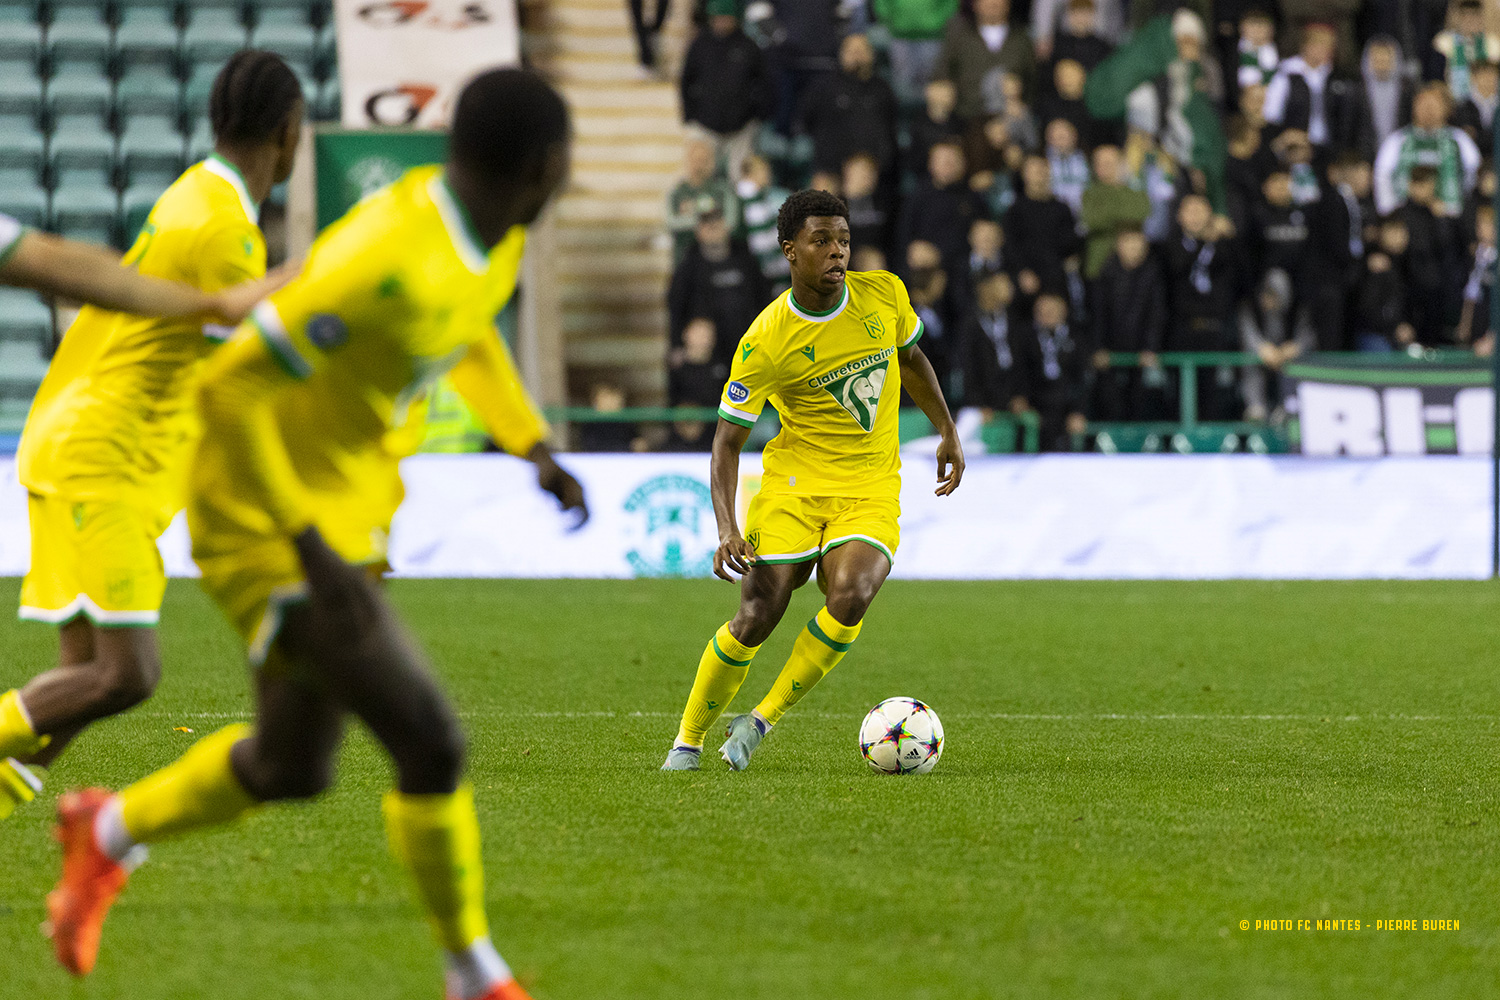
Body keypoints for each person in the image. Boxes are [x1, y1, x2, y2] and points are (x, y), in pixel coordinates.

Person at [43, 69, 589, 1000]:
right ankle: (475, 975)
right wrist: (301, 540)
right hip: (264, 521)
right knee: (430, 741)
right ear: (542, 168)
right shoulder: (384, 254)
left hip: (342, 515)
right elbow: (229, 386)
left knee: (290, 765)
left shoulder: (489, 241)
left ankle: (105, 833)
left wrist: (531, 441)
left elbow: (468, 336)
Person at [0, 52, 306, 824]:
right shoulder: (227, 231)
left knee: (75, 687)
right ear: (290, 131)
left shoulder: (194, 193)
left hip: (78, 437)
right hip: (102, 453)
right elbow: (239, 373)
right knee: (126, 675)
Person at [660, 189, 963, 772]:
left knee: (850, 594)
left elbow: (912, 358)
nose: (837, 251)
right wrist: (727, 527)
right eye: (821, 241)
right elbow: (726, 444)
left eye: (843, 240)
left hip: (870, 487)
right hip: (795, 485)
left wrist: (945, 429)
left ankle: (759, 721)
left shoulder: (885, 295)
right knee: (759, 611)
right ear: (790, 251)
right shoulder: (766, 340)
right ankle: (687, 741)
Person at [667, 206, 771, 369]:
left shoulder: (745, 260)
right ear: (698, 232)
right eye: (707, 226)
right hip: (707, 353)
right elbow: (676, 307)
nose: (712, 230)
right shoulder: (688, 267)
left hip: (746, 345)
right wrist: (676, 344)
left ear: (726, 227)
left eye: (717, 225)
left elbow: (765, 299)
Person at [680, 0, 767, 183]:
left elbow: (765, 83)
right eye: (717, 18)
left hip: (741, 128)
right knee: (700, 178)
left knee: (742, 180)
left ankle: (739, 211)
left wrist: (757, 114)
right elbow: (686, 81)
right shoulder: (699, 45)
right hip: (706, 125)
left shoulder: (748, 46)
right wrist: (689, 115)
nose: (721, 22)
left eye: (725, 17)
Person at [798, 33, 900, 178]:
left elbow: (889, 130)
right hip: (830, 170)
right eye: (851, 51)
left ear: (872, 54)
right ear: (841, 54)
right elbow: (806, 121)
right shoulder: (824, 87)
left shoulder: (882, 89)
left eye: (861, 50)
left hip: (872, 172)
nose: (856, 56)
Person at [1090, 227, 1166, 420]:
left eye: (1138, 243)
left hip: (1141, 353)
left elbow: (1157, 314)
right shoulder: (1104, 275)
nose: (1134, 248)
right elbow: (1098, 315)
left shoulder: (1154, 275)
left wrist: (1150, 347)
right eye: (1128, 242)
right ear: (1118, 245)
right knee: (1110, 403)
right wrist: (1099, 347)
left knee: (1142, 404)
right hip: (1110, 352)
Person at [1374, 82, 1482, 217]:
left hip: (1449, 221)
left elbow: (1473, 178)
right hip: (1406, 221)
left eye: (1434, 103)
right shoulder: (1396, 141)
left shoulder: (1460, 140)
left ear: (1447, 108)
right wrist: (1391, 215)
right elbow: (1382, 178)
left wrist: (1455, 210)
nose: (1428, 109)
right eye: (1423, 103)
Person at [937, 0, 1038, 119]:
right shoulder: (958, 35)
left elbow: (1033, 82)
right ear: (974, 4)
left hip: (1010, 121)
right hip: (966, 120)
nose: (992, 3)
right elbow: (941, 76)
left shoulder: (1022, 38)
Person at [667, 137, 737, 262]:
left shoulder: (722, 190)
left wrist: (695, 220)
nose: (700, 165)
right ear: (688, 161)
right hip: (685, 260)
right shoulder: (676, 192)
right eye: (696, 160)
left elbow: (731, 222)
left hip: (718, 259)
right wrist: (705, 223)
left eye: (704, 160)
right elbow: (670, 222)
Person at [1434, 0, 1500, 103]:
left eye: (1475, 16)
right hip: (1453, 100)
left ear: (1481, 18)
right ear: (1458, 18)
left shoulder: (1492, 45)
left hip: (1485, 101)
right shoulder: (1445, 42)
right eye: (1466, 16)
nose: (1470, 21)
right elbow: (1437, 77)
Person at [1450, 59, 1499, 156]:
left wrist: (1478, 135)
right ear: (1474, 77)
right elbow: (1467, 137)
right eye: (1483, 74)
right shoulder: (1464, 107)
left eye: (1492, 74)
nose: (1488, 79)